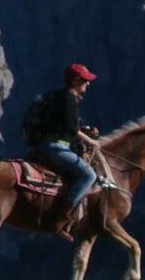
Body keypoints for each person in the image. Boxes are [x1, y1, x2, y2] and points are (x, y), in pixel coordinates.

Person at [25, 63, 103, 241]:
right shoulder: (69, 98)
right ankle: (60, 220)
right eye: (85, 80)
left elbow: (66, 125)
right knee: (88, 176)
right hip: (56, 147)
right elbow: (70, 128)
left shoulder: (59, 97)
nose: (88, 84)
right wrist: (92, 141)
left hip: (44, 145)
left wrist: (86, 129)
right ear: (76, 80)